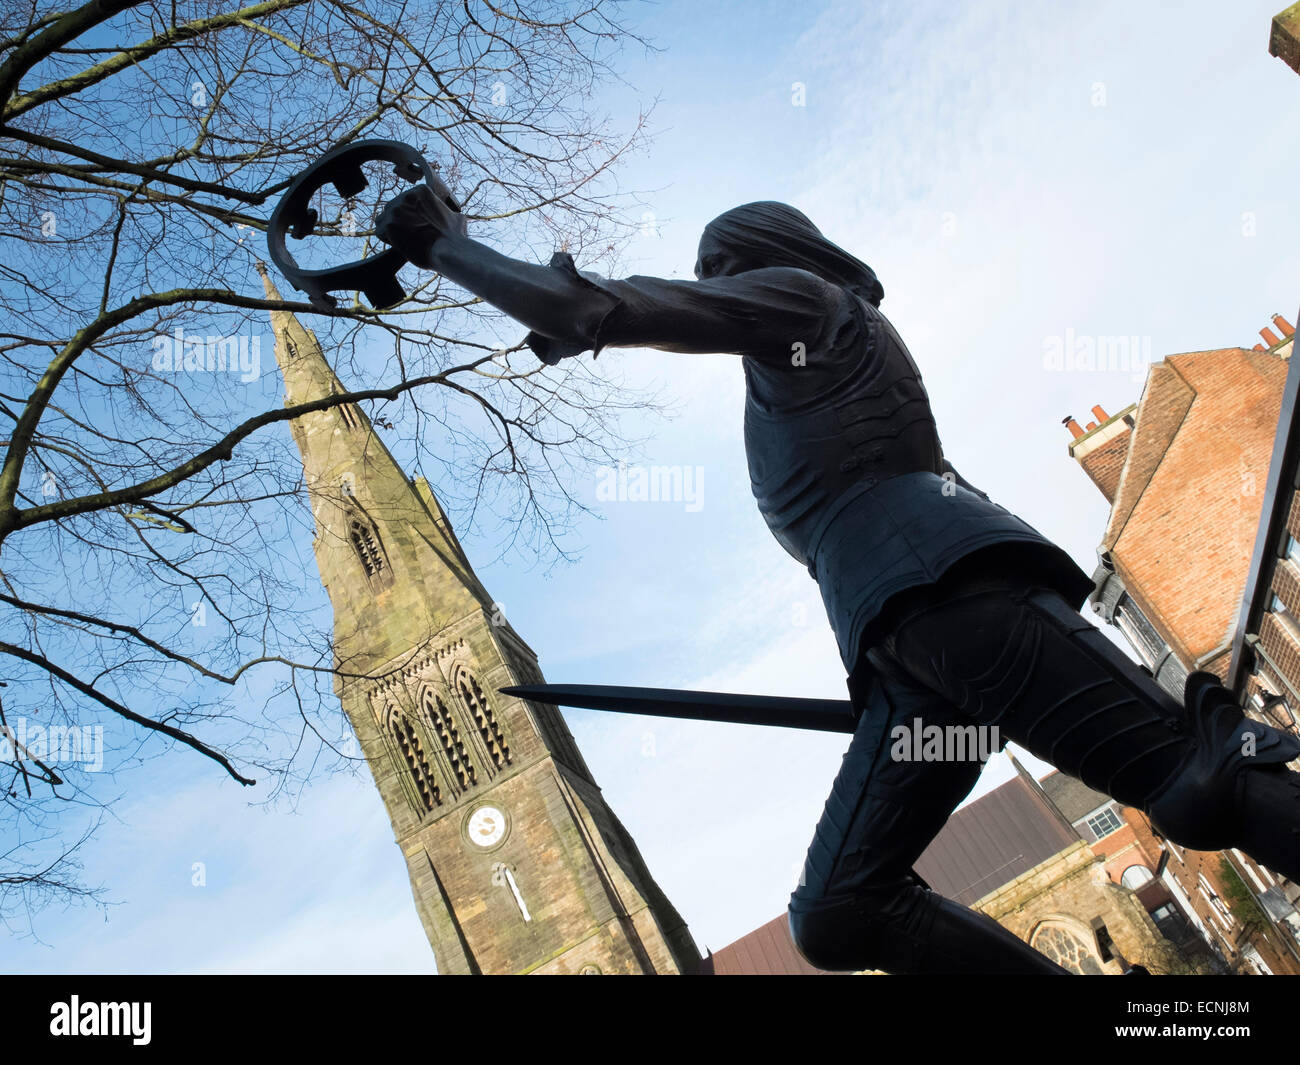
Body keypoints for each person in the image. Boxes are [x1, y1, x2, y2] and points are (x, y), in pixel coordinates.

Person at [376, 187, 1300, 974]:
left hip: (952, 592)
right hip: (904, 652)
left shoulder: (804, 301)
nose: (710, 286)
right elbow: (597, 314)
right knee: (837, 912)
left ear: (769, 256)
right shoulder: (786, 361)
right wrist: (575, 312)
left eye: (719, 265)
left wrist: (448, 247)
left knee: (1188, 784)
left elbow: (596, 311)